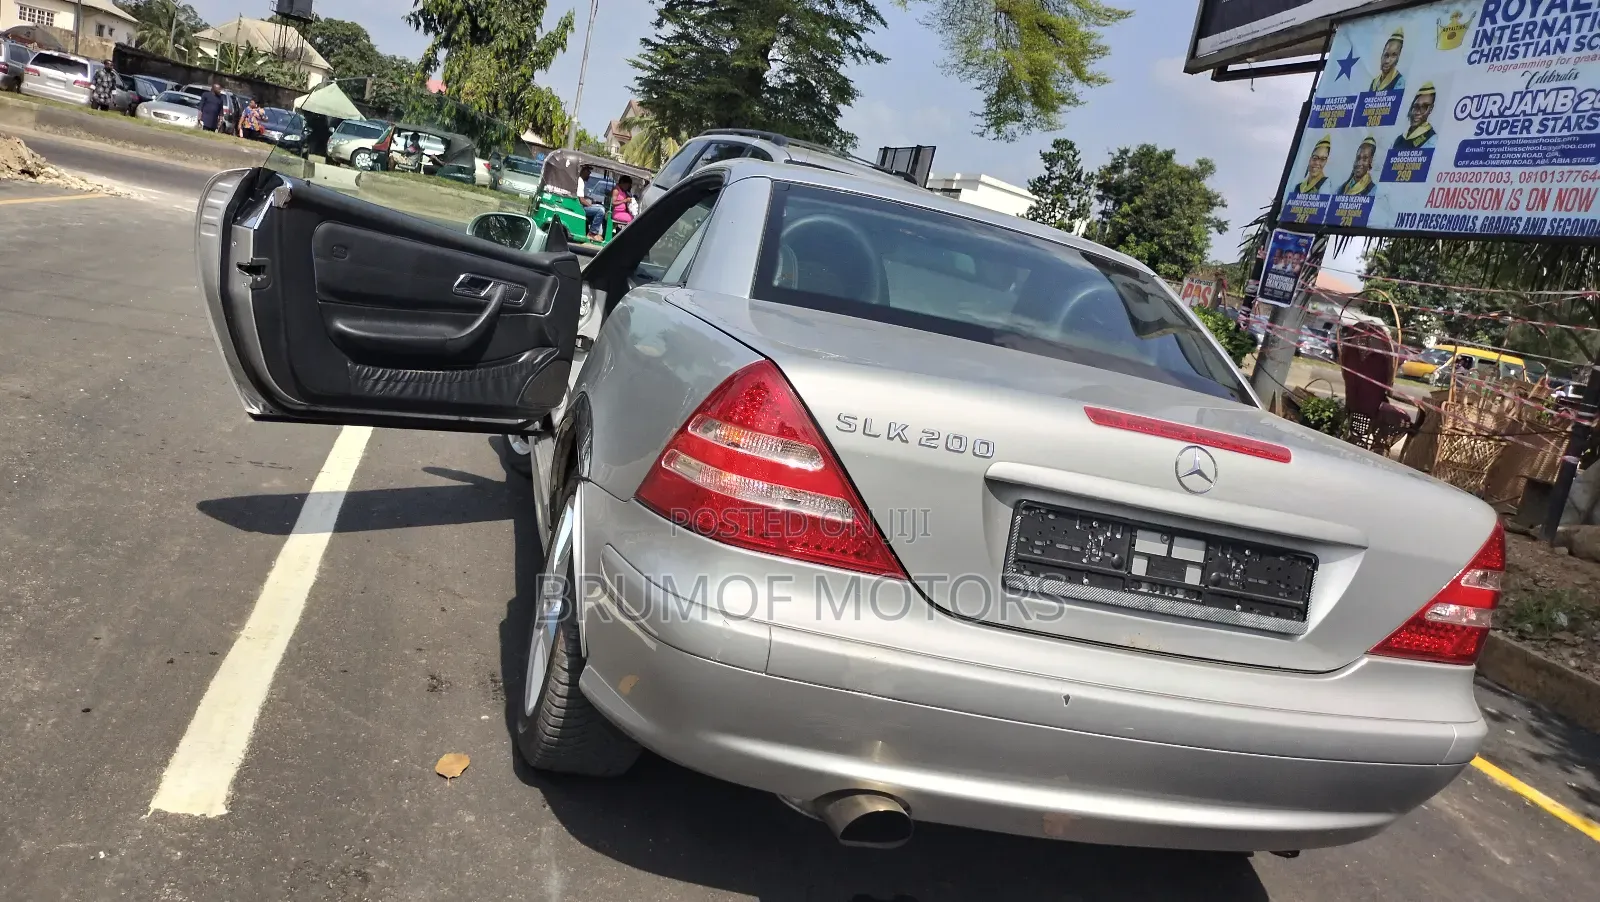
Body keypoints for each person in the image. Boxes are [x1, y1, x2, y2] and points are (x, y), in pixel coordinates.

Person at [1393, 82, 1438, 150]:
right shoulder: (1399, 139)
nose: (1418, 112)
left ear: (1431, 109)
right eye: (1416, 106)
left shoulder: (1431, 139)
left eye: (1424, 107)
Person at [1370, 27, 1405, 92]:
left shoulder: (1399, 81)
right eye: (1386, 55)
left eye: (1393, 55)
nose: (1387, 61)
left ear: (1398, 58)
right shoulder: (1374, 83)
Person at [579, 165, 607, 239]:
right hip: (580, 207)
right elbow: (581, 200)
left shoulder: (582, 182)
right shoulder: (580, 181)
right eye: (588, 172)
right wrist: (590, 205)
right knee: (600, 210)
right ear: (584, 171)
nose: (589, 174)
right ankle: (592, 233)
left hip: (581, 206)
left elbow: (583, 196)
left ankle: (595, 232)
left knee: (600, 207)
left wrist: (592, 200)